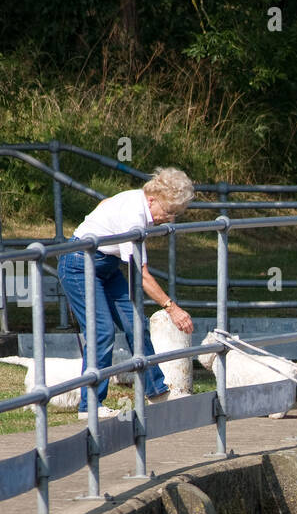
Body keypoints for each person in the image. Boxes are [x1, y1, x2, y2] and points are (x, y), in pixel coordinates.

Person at [58, 167, 197, 419]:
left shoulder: (137, 198)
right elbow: (141, 275)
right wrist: (172, 308)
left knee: (136, 324)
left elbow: (105, 203)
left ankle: (156, 391)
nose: (169, 218)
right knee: (102, 332)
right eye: (168, 211)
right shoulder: (134, 217)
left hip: (106, 267)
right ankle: (89, 407)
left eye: (175, 214)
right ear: (153, 198)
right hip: (79, 265)